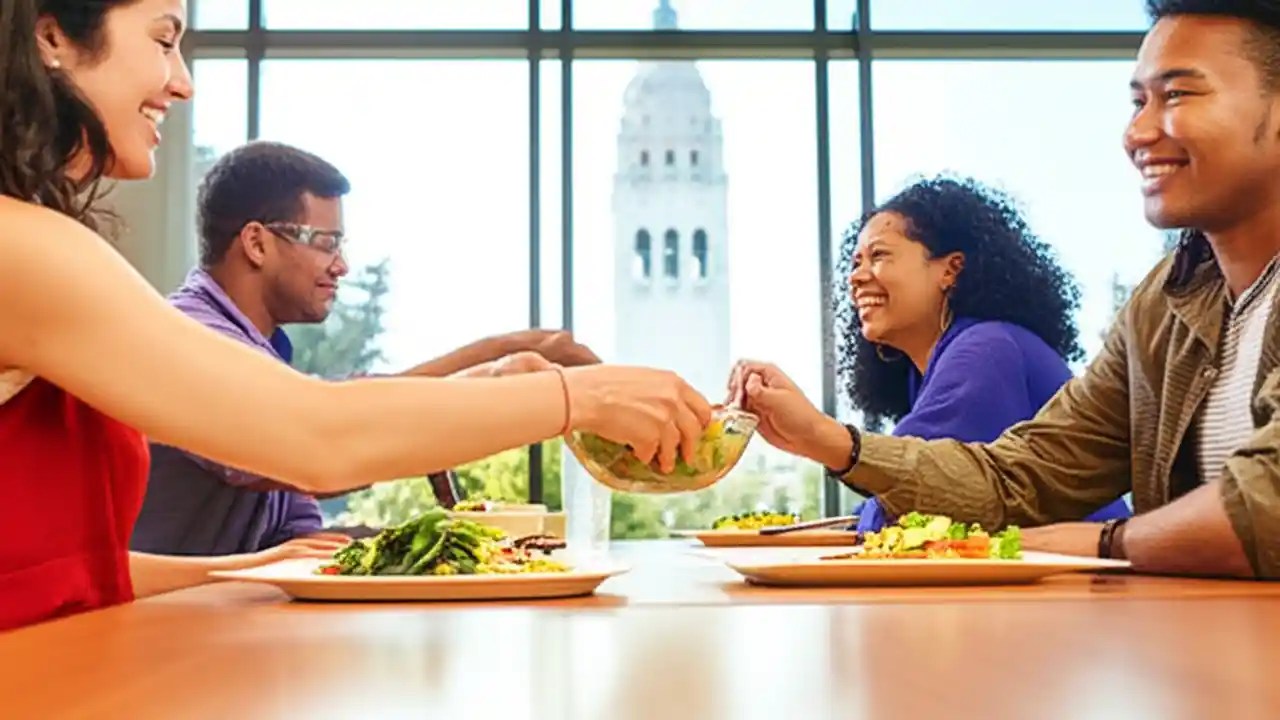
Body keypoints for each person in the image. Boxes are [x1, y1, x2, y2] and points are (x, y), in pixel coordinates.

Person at [0, 0, 710, 632]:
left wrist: (259, 566)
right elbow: (316, 433)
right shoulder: (27, 250)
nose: (182, 81)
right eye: (163, 41)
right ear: (53, 35)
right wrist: (580, 397)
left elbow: (62, 568)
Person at [730, 0, 1280, 579]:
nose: (1138, 132)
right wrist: (830, 440)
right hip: (1211, 653)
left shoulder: (986, 345)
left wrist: (1104, 544)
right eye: (1139, 102)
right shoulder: (1164, 304)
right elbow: (1020, 477)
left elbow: (1265, 503)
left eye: (1178, 96)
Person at [131, 141, 602, 556]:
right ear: (256, 243)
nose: (342, 265)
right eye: (326, 243)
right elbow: (318, 444)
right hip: (155, 635)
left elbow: (298, 535)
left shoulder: (263, 354)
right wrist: (498, 367)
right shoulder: (193, 337)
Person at [824, 175, 1131, 532]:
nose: (856, 277)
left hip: (1089, 579)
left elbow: (905, 499)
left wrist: (814, 436)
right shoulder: (926, 371)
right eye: (856, 262)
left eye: (878, 256)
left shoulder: (984, 351)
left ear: (950, 270)